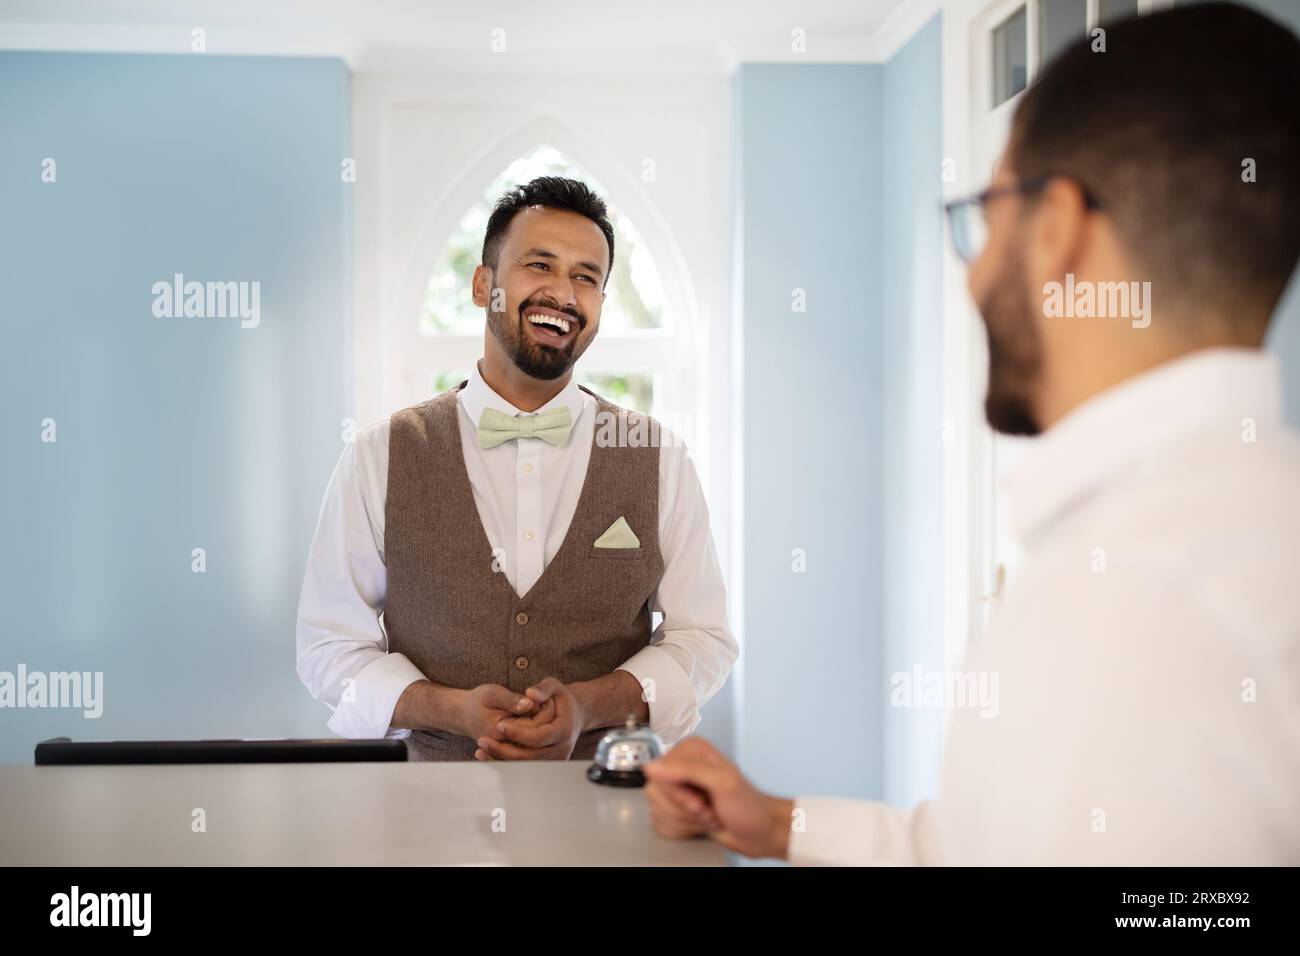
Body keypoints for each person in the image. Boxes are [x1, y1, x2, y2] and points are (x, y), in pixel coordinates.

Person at [645, 3, 1300, 864]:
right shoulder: (1224, 532)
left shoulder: (1141, 604)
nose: (978, 265)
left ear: (1056, 227)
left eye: (985, 214)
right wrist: (782, 824)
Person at [297, 177, 736, 760]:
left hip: (606, 818)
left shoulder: (658, 457)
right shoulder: (378, 455)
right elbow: (329, 648)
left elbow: (702, 640)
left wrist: (587, 706)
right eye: (540, 265)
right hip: (427, 819)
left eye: (586, 277)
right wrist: (448, 708)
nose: (562, 292)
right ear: (484, 286)